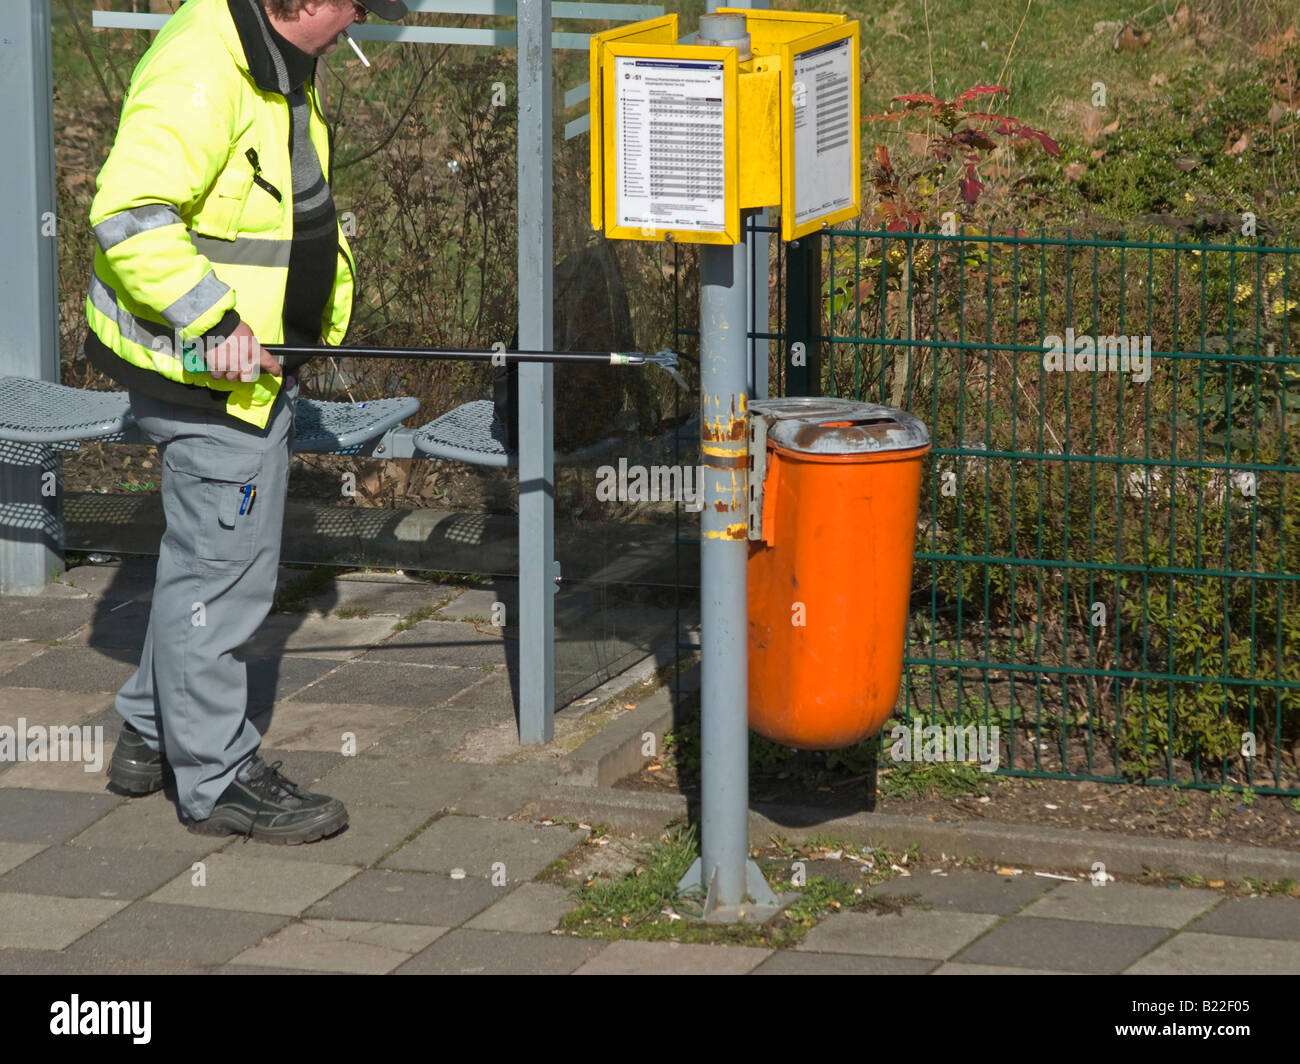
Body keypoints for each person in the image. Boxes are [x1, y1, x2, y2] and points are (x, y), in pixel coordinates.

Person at [86, 0, 407, 843]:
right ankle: (219, 779)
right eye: (353, 8)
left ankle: (151, 733)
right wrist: (216, 322)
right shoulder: (206, 66)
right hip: (209, 377)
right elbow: (129, 216)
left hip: (244, 371)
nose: (357, 28)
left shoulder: (268, 50)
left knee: (202, 562)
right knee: (223, 581)